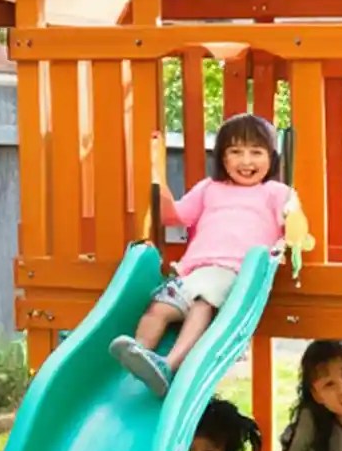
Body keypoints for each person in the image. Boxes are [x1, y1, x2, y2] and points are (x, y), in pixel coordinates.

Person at [109, 114, 299, 398]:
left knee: (202, 304)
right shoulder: (209, 189)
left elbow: (293, 221)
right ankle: (139, 357)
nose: (246, 161)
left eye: (256, 153)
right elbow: (175, 216)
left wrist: (290, 238)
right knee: (158, 308)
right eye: (235, 152)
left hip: (233, 272)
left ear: (271, 158)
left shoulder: (275, 192)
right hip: (193, 273)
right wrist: (157, 180)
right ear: (223, 158)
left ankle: (168, 365)